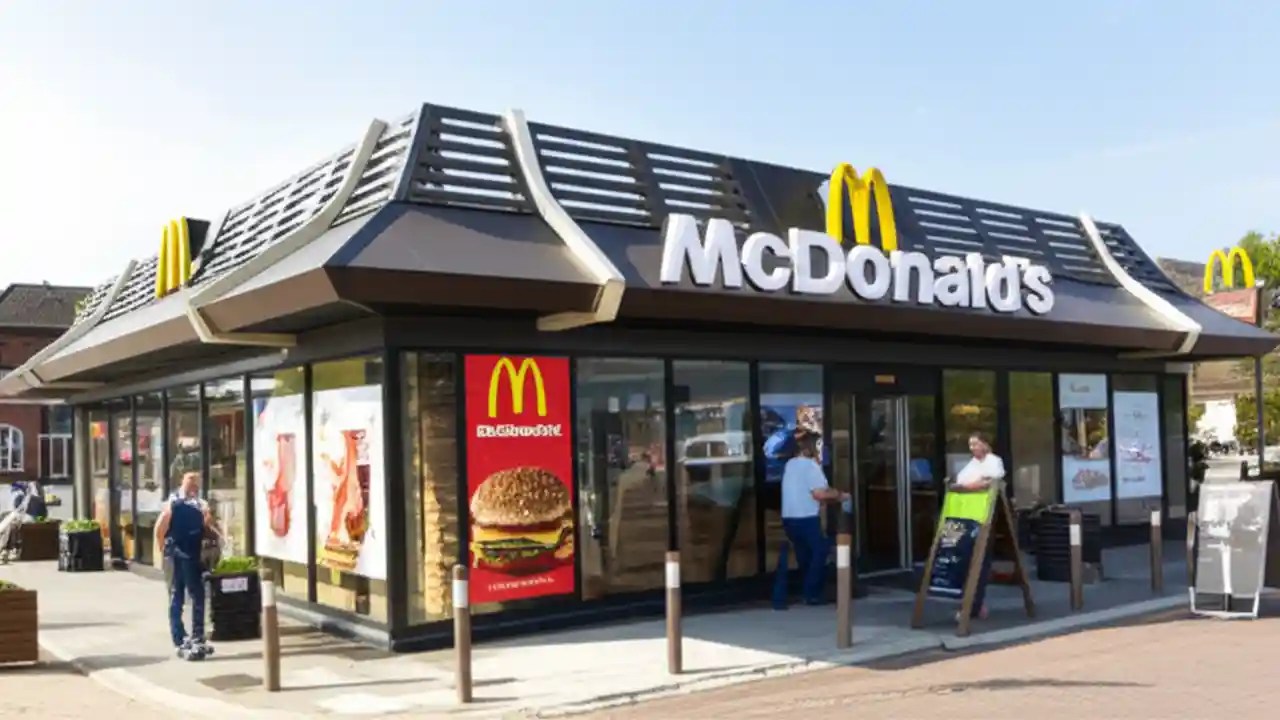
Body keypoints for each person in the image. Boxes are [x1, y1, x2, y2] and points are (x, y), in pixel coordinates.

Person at [780, 431, 850, 605]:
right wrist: (840, 495)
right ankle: (811, 593)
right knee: (820, 551)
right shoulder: (810, 466)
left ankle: (808, 589)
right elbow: (819, 493)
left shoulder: (790, 464)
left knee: (804, 555)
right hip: (806, 517)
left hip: (789, 518)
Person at [154, 472, 215, 661]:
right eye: (191, 484)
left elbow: (208, 527)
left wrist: (207, 517)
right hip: (179, 554)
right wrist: (163, 549)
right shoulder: (176, 502)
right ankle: (184, 637)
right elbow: (160, 528)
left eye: (195, 485)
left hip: (185, 554)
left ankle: (192, 636)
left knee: (189, 595)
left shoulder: (195, 503)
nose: (193, 488)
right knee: (182, 596)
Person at [948, 432, 1007, 621]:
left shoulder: (994, 461)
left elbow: (990, 483)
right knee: (964, 562)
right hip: (966, 516)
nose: (972, 448)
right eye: (970, 445)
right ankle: (972, 604)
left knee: (980, 564)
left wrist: (968, 486)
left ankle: (974, 605)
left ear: (985, 444)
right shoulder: (971, 464)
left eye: (975, 444)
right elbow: (960, 482)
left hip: (985, 518)